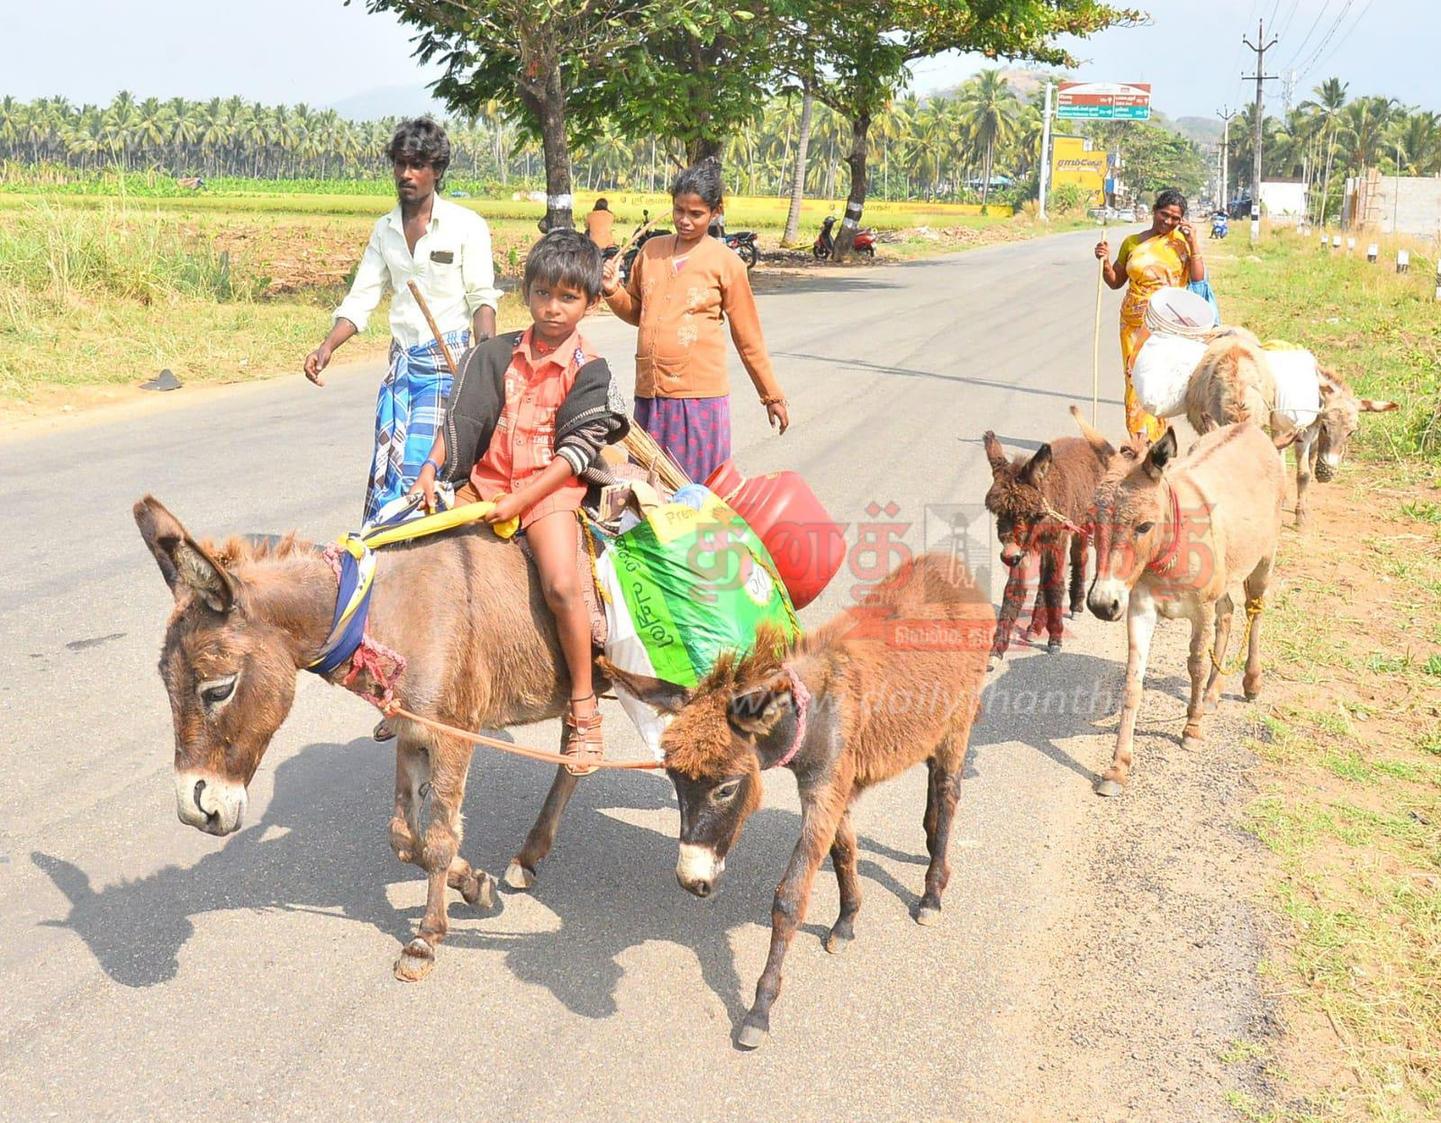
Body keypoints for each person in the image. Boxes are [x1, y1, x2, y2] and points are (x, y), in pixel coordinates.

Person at [410, 230, 629, 774]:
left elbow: (576, 454)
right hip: (485, 481)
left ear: (591, 303)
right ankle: (415, 687)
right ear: (525, 292)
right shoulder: (494, 354)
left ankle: (583, 711)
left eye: (567, 298)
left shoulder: (591, 370)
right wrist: (430, 469)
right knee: (417, 564)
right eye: (541, 294)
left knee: (560, 583)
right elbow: (462, 422)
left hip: (547, 491)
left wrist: (522, 501)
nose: (552, 309)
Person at [304, 117, 501, 522]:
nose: (406, 175)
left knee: (420, 474)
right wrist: (327, 346)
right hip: (402, 369)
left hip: (448, 367)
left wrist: (483, 364)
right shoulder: (385, 230)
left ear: (438, 170)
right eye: (400, 164)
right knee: (387, 475)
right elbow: (362, 296)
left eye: (417, 165)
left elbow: (482, 300)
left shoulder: (466, 227)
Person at [601, 159, 789, 484]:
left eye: (696, 214)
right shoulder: (651, 251)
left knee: (697, 492)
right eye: (679, 211)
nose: (685, 221)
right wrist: (612, 291)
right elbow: (637, 312)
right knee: (650, 492)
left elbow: (749, 339)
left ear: (716, 211)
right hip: (651, 397)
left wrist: (771, 396)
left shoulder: (726, 263)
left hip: (698, 401)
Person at [1094, 188, 1206, 439]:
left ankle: (1158, 439)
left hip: (1169, 323)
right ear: (1154, 211)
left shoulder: (1182, 244)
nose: (1167, 222)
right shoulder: (1132, 242)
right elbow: (1115, 281)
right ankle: (1138, 438)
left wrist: (1194, 242)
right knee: (1135, 378)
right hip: (1133, 323)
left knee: (1161, 378)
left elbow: (1198, 278)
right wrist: (1105, 261)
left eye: (1175, 218)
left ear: (1182, 220)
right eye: (1164, 214)